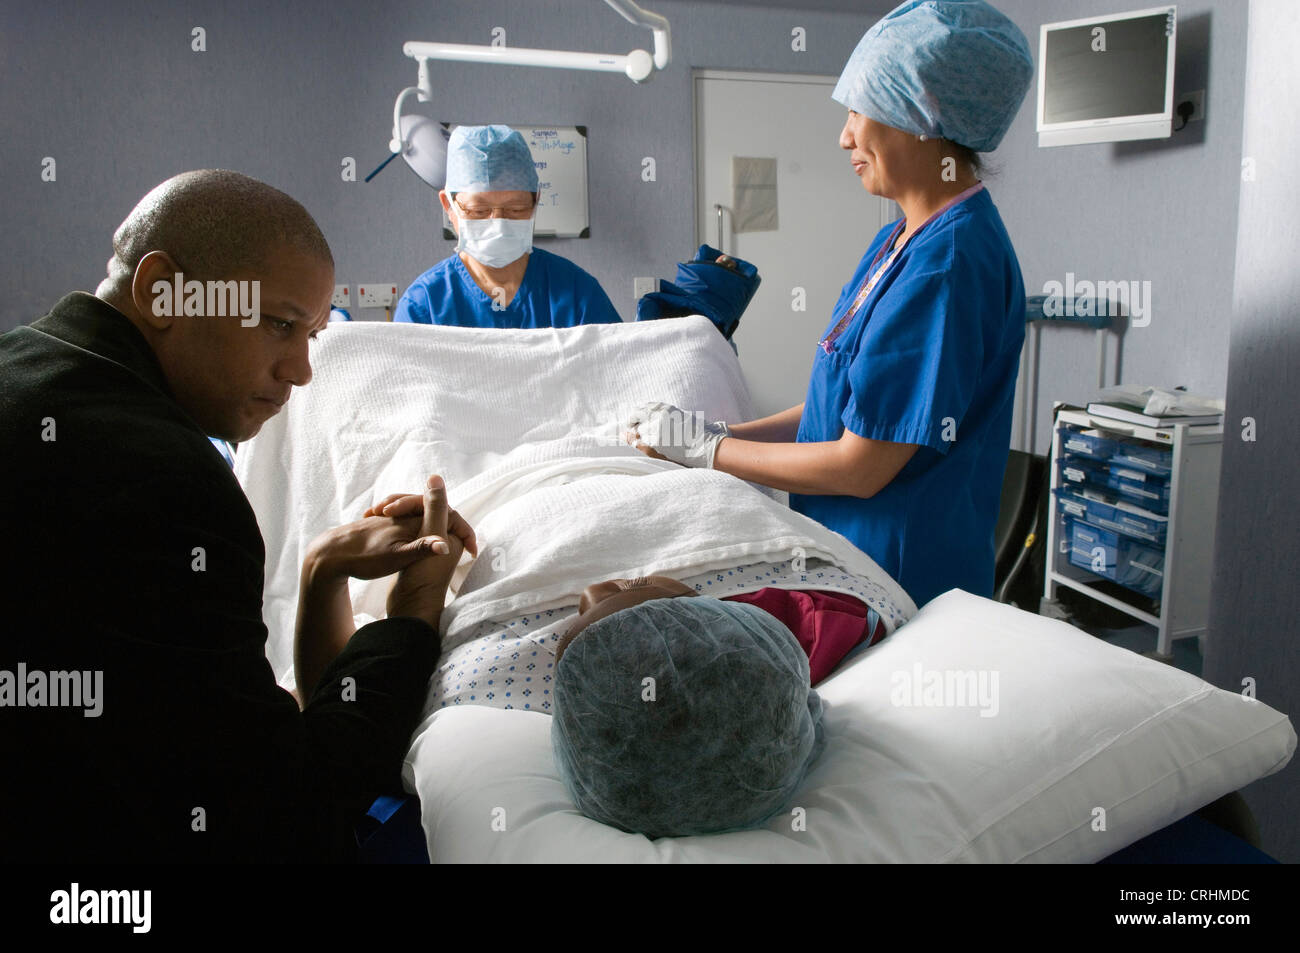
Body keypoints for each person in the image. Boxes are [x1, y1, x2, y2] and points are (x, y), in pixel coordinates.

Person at [0, 170, 473, 862]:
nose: (303, 371)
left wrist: (321, 569)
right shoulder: (168, 480)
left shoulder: (26, 370)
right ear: (163, 292)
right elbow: (278, 816)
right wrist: (410, 619)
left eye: (313, 334)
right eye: (281, 325)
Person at [626, 0, 1034, 610]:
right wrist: (720, 434)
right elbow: (841, 408)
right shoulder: (899, 240)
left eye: (859, 111)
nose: (845, 136)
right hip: (850, 557)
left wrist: (711, 454)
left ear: (921, 115)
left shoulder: (948, 266)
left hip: (902, 579)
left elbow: (860, 465)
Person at [393, 124, 622, 328]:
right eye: (478, 211)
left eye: (515, 209)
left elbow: (616, 369)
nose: (498, 225)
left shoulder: (576, 293)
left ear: (535, 202)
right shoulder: (425, 306)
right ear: (448, 205)